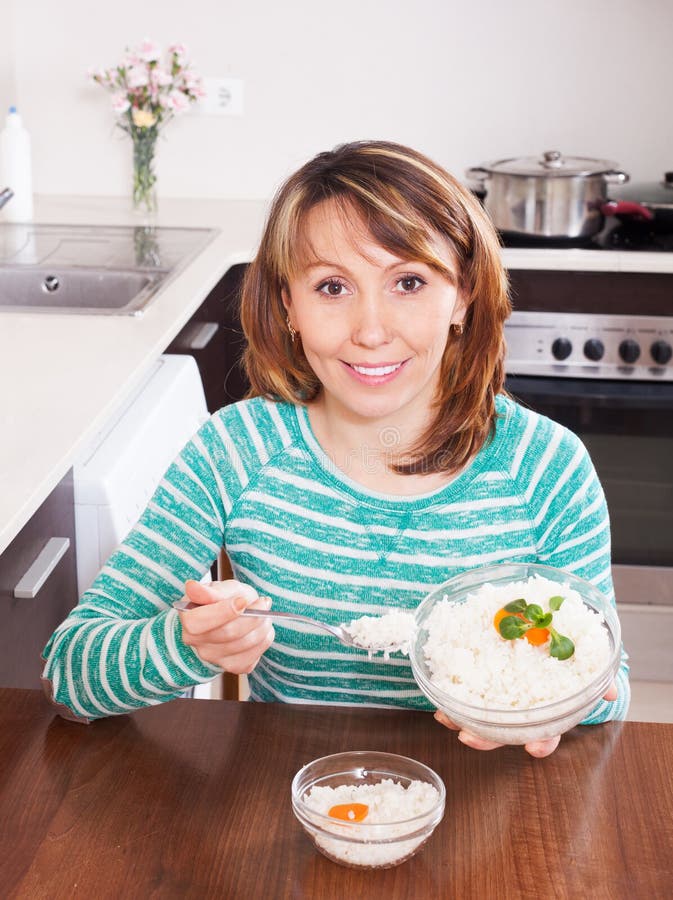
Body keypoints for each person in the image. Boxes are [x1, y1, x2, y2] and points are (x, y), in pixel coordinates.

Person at [42, 140, 629, 756]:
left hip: (492, 795)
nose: (371, 331)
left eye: (408, 282)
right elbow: (65, 677)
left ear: (463, 296)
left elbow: (609, 685)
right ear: (288, 306)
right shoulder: (238, 450)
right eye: (331, 287)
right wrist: (184, 645)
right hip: (291, 792)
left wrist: (558, 704)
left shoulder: (546, 469)